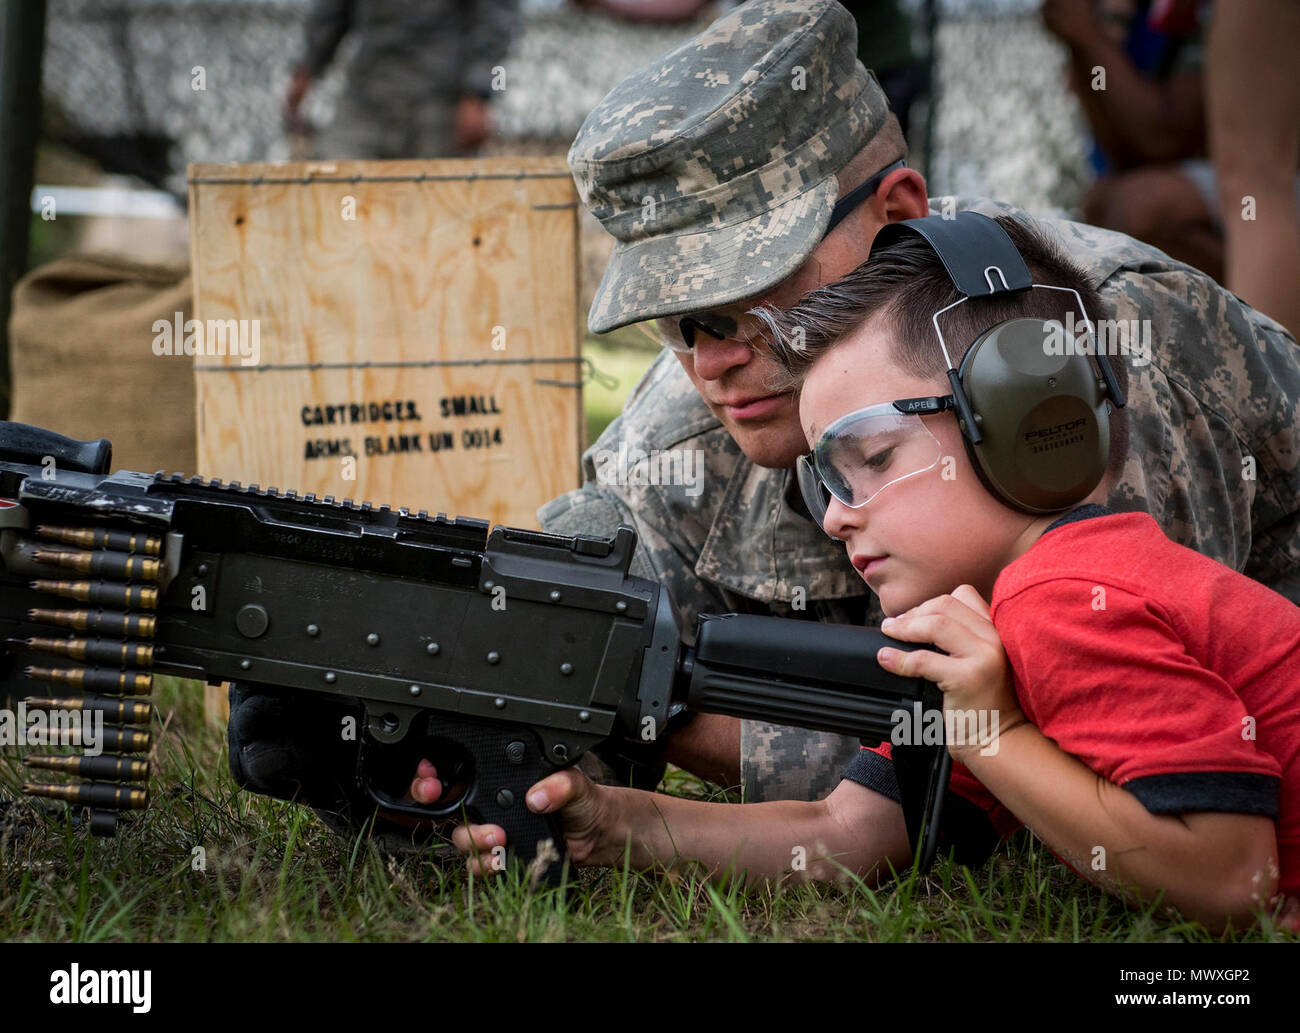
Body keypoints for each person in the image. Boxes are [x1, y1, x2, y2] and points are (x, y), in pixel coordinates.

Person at [228, 0, 1300, 845]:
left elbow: (1091, 792)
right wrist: (428, 720)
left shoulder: (1084, 358)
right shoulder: (680, 437)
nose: (711, 358)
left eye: (752, 295)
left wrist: (662, 715)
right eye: (678, 318)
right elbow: (571, 711)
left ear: (899, 213)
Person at [436, 212, 1300, 935]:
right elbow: (845, 829)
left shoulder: (1064, 599)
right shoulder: (1000, 621)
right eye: (824, 475)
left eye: (868, 455)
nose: (836, 511)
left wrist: (991, 739)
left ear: (1019, 418)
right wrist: (613, 824)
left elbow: (1231, 877)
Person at [284, 0, 521, 160]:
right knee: (335, 186)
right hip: (367, 95)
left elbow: (495, 24)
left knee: (440, 203)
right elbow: (333, 11)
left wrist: (479, 95)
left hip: (439, 102)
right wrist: (306, 70)